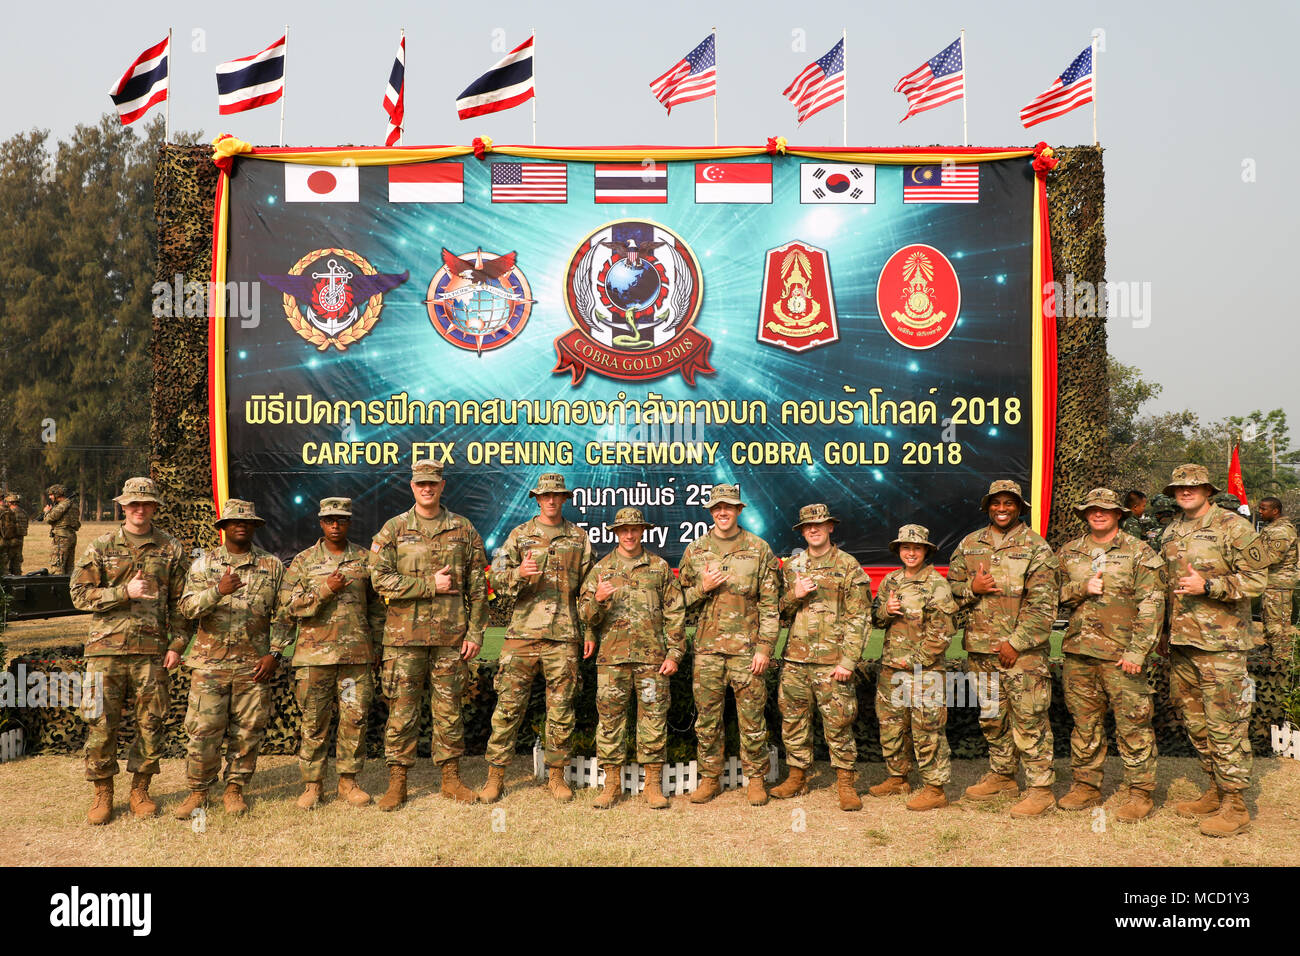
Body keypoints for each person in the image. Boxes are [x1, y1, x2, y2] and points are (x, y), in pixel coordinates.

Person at [69, 477, 191, 825]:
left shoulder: (170, 549)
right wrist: (124, 593)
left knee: (151, 722)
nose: (139, 509)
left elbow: (182, 603)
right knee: (100, 723)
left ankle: (140, 790)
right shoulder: (102, 546)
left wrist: (178, 644)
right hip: (104, 651)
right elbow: (79, 595)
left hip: (151, 652)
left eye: (146, 503)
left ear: (154, 507)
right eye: (133, 503)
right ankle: (102, 793)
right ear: (122, 506)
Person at [370, 462, 489, 809]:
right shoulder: (394, 529)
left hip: (450, 639)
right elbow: (379, 579)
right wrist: (427, 585)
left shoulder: (463, 529)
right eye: (421, 483)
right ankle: (398, 783)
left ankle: (451, 780)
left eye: (432, 484)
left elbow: (479, 587)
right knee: (402, 711)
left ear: (442, 486)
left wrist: (477, 632)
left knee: (449, 709)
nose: (427, 489)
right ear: (412, 486)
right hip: (404, 639)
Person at [1161, 463, 1268, 837]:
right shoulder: (1171, 530)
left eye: (1193, 487)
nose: (1185, 492)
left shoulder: (1233, 527)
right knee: (1196, 723)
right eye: (1179, 487)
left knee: (1226, 725)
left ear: (1209, 491)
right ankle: (1215, 789)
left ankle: (1235, 805)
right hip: (1183, 643)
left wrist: (1209, 586)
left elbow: (1256, 580)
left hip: (1221, 645)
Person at [946, 479, 1059, 817]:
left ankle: (1040, 789)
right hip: (980, 651)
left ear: (1019, 507)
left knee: (1030, 719)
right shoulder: (969, 545)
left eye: (1009, 503)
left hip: (1022, 655)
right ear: (987, 506)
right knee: (992, 718)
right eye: (996, 502)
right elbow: (950, 592)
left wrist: (1016, 642)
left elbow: (1044, 606)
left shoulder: (1037, 548)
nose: (1002, 508)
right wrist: (972, 588)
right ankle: (1003, 775)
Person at [170, 499, 287, 817]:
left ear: (254, 527)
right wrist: (217, 591)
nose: (240, 526)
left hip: (253, 667)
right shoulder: (204, 565)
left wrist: (274, 653)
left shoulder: (272, 566)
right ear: (222, 528)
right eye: (234, 521)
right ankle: (198, 792)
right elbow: (187, 608)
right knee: (203, 731)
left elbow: (286, 614)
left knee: (248, 732)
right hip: (210, 666)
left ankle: (235, 789)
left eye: (247, 522)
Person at [480, 473, 593, 803]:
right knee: (507, 708)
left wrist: (589, 628)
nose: (551, 500)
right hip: (523, 635)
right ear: (537, 499)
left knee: (561, 710)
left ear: (565, 499)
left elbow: (588, 590)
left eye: (557, 495)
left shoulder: (579, 538)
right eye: (545, 496)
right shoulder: (519, 536)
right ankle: (495, 777)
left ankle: (556, 776)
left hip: (564, 636)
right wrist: (519, 574)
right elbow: (496, 578)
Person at [1055, 488, 1164, 822]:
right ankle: (1086, 785)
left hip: (1122, 656)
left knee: (1133, 724)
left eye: (1105, 509)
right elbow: (1051, 595)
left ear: (1119, 514)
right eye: (1091, 509)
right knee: (1084, 725)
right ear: (1084, 514)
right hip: (1078, 653)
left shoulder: (1139, 551)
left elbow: (1153, 602)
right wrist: (1080, 589)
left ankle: (1140, 792)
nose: (1097, 514)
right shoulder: (1070, 552)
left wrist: (1137, 650)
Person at [278, 497, 386, 810]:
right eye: (329, 520)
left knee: (354, 719)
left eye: (341, 519)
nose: (335, 525)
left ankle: (348, 783)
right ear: (321, 523)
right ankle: (313, 786)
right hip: (315, 660)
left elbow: (378, 608)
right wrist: (325, 590)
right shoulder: (303, 561)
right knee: (314, 722)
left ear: (349, 521)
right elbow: (289, 606)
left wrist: (377, 646)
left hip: (354, 660)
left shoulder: (365, 559)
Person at [577, 507, 686, 810]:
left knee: (653, 719)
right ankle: (611, 783)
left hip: (652, 662)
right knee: (610, 722)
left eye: (634, 529)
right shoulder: (601, 570)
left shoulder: (659, 568)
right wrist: (597, 600)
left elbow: (675, 612)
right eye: (622, 529)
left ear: (642, 531)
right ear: (615, 533)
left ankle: (652, 784)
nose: (628, 534)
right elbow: (585, 614)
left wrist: (675, 653)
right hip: (612, 661)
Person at [678, 484, 780, 806]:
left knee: (752, 717)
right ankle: (710, 778)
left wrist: (764, 648)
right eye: (717, 507)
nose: (723, 512)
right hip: (707, 650)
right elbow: (677, 604)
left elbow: (770, 604)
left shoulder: (759, 549)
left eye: (729, 507)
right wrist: (701, 587)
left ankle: (755, 779)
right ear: (711, 511)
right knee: (708, 718)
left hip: (747, 652)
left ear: (739, 510)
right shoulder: (695, 550)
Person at [770, 503, 870, 811]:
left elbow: (860, 617)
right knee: (794, 721)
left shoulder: (848, 565)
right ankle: (797, 776)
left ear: (830, 527)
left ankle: (845, 783)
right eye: (807, 526)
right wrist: (794, 594)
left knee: (839, 723)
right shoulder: (792, 566)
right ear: (802, 531)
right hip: (796, 661)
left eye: (819, 524)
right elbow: (777, 611)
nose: (813, 529)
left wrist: (849, 661)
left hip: (832, 661)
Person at [870, 524, 958, 811]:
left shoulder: (936, 584)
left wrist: (914, 662)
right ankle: (898, 777)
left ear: (925, 551)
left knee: (927, 727)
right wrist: (886, 610)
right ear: (898, 550)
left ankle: (935, 788)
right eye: (905, 547)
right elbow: (875, 619)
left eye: (916, 548)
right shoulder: (890, 581)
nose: (910, 552)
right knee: (892, 725)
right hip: (891, 668)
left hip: (924, 670)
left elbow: (943, 631)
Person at [1256, 496, 1297, 662]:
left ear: (1275, 511)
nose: (1260, 512)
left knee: (1277, 623)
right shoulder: (1273, 528)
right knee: (1269, 619)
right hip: (1272, 583)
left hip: (1279, 584)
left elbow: (1272, 557)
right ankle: (1271, 650)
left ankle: (1282, 659)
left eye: (1263, 508)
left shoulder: (1280, 531)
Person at [45, 483, 81, 574]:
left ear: (57, 495)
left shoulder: (62, 505)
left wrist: (47, 512)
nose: (50, 497)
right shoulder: (73, 505)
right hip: (71, 536)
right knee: (69, 567)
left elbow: (50, 518)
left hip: (61, 538)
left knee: (57, 567)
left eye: (51, 495)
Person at [5, 493, 29, 574]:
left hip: (9, 540)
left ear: (9, 502)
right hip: (20, 540)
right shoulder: (23, 512)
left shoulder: (8, 512)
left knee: (6, 564)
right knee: (17, 564)